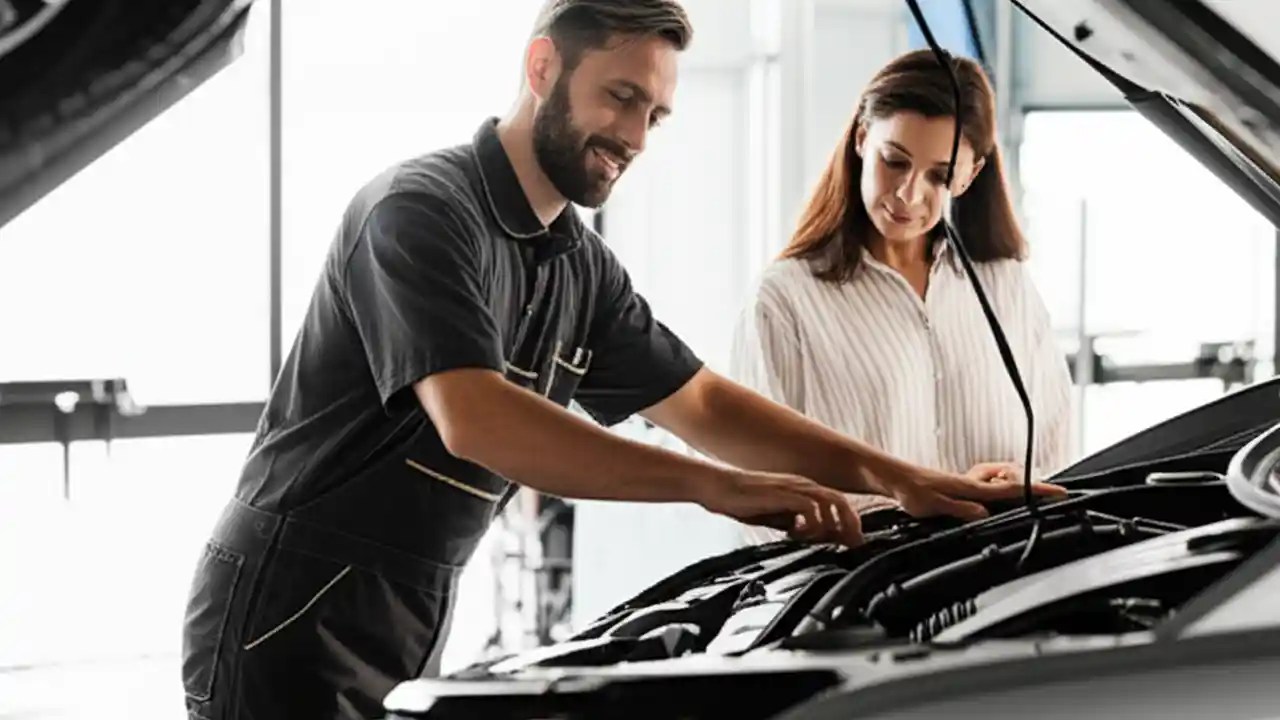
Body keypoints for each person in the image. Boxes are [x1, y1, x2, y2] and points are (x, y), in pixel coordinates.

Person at [180, 5, 1065, 719]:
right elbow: (477, 418)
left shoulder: (577, 259)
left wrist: (899, 477)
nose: (637, 134)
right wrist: (709, 484)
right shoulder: (420, 210)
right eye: (619, 96)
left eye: (656, 112)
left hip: (415, 597)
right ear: (541, 69)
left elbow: (702, 401)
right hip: (289, 601)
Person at [730, 49, 1075, 546]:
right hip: (859, 598)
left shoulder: (1007, 285)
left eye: (939, 175)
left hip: (1007, 582)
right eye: (895, 162)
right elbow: (763, 502)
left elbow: (1059, 463)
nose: (909, 195)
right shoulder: (784, 300)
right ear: (862, 137)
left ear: (970, 174)